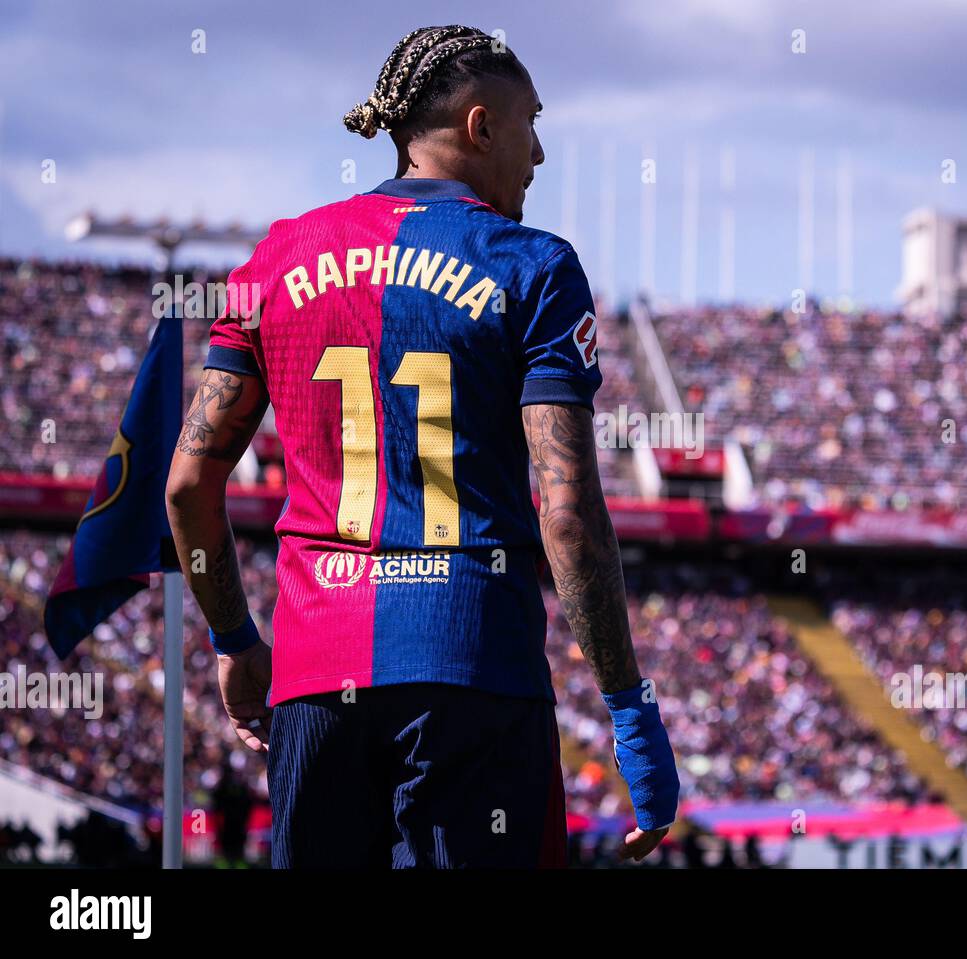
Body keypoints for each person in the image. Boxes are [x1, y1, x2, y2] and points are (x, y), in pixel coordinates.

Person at [165, 24, 678, 868]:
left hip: (312, 684)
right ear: (481, 127)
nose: (540, 153)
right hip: (473, 672)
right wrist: (627, 703)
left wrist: (232, 642)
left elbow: (188, 485)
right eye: (532, 122)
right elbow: (569, 514)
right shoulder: (534, 267)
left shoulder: (276, 257)